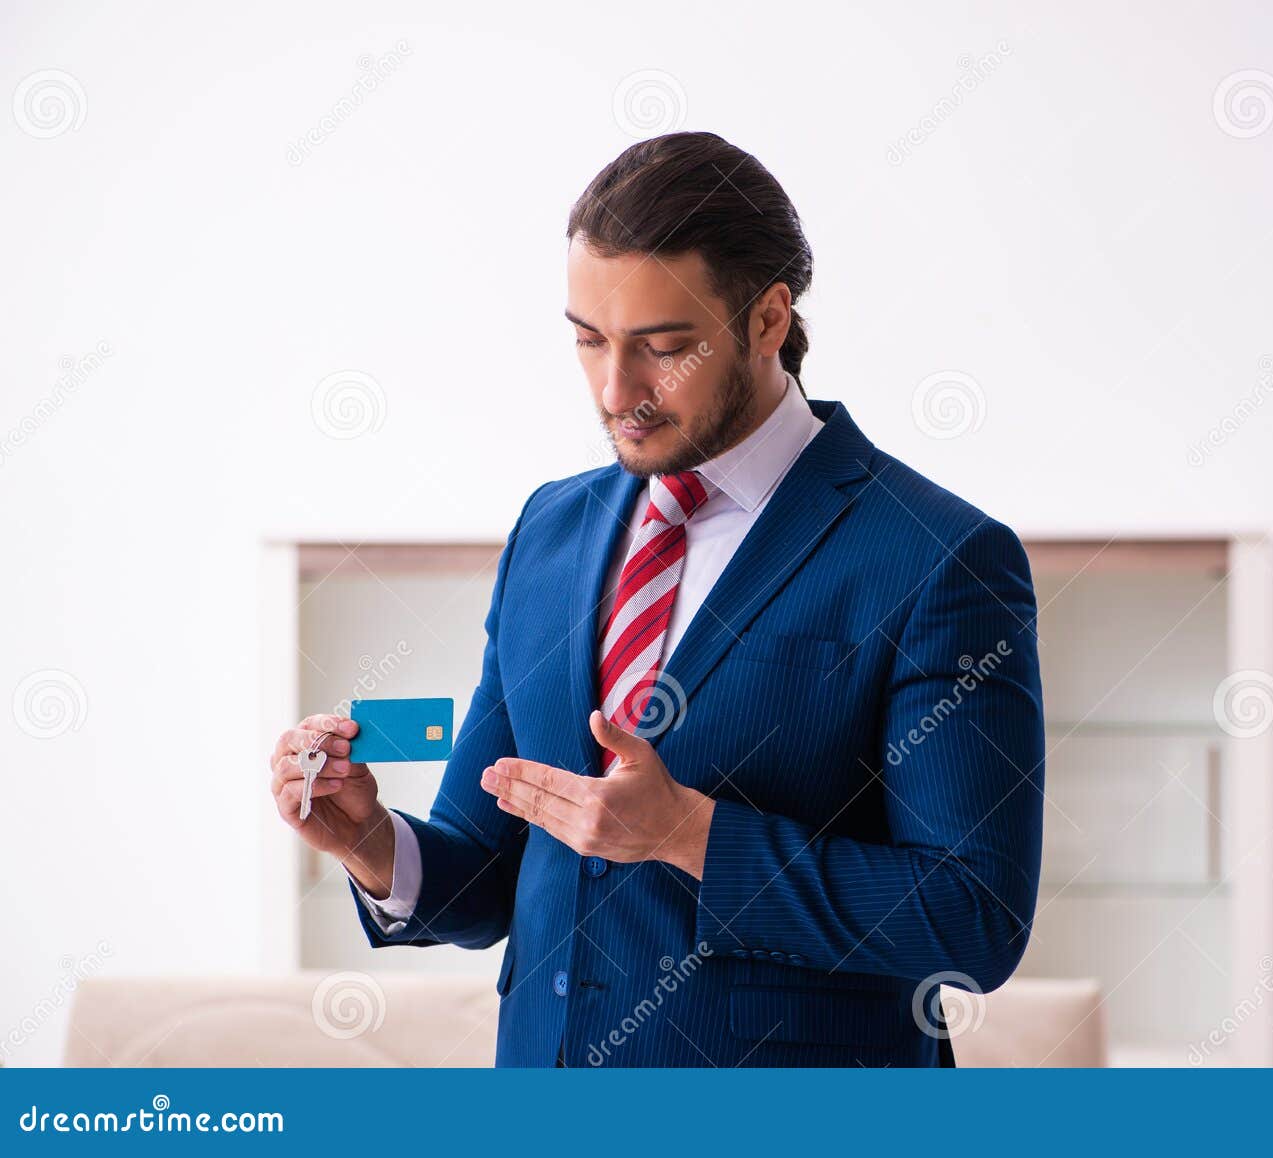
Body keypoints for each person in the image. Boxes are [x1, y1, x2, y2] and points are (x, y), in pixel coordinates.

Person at [268, 131, 1044, 1067]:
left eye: (663, 347)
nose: (614, 389)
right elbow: (493, 867)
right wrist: (374, 845)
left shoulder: (938, 557)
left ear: (768, 320)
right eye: (588, 341)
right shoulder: (550, 533)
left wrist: (690, 834)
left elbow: (974, 919)